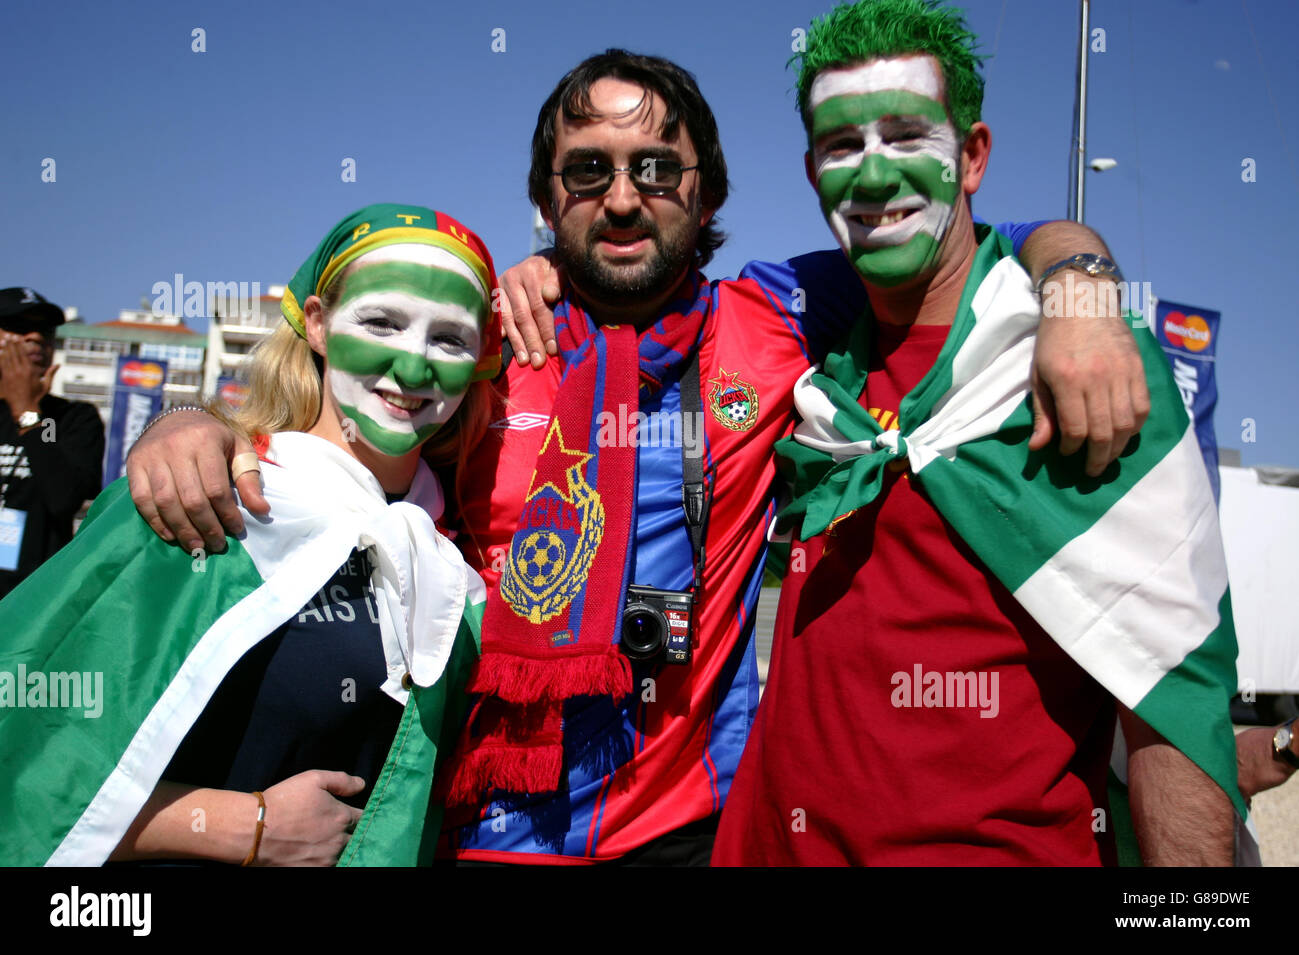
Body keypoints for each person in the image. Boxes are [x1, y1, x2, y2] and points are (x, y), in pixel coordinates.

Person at [126, 49, 1148, 865]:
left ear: (705, 199)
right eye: (589, 172)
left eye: (657, 169)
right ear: (546, 198)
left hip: (691, 828)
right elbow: (318, 434)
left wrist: (1084, 285)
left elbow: (976, 237)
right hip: (478, 822)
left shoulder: (777, 313)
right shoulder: (481, 341)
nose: (623, 198)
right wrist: (187, 428)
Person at [710, 0, 1245, 866]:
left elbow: (1173, 701)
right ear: (812, 173)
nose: (874, 175)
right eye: (843, 147)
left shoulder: (1084, 366)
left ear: (972, 157)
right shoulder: (815, 364)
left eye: (907, 135)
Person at [0, 204, 499, 866]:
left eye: (450, 340)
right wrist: (239, 825)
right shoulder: (198, 495)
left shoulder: (446, 569)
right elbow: (24, 757)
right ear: (318, 325)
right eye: (381, 323)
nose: (413, 368)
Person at [0, 287, 104, 599]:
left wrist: (29, 414)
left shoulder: (70, 418)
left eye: (45, 331)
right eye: (19, 327)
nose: (35, 337)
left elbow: (64, 497)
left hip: (27, 602)